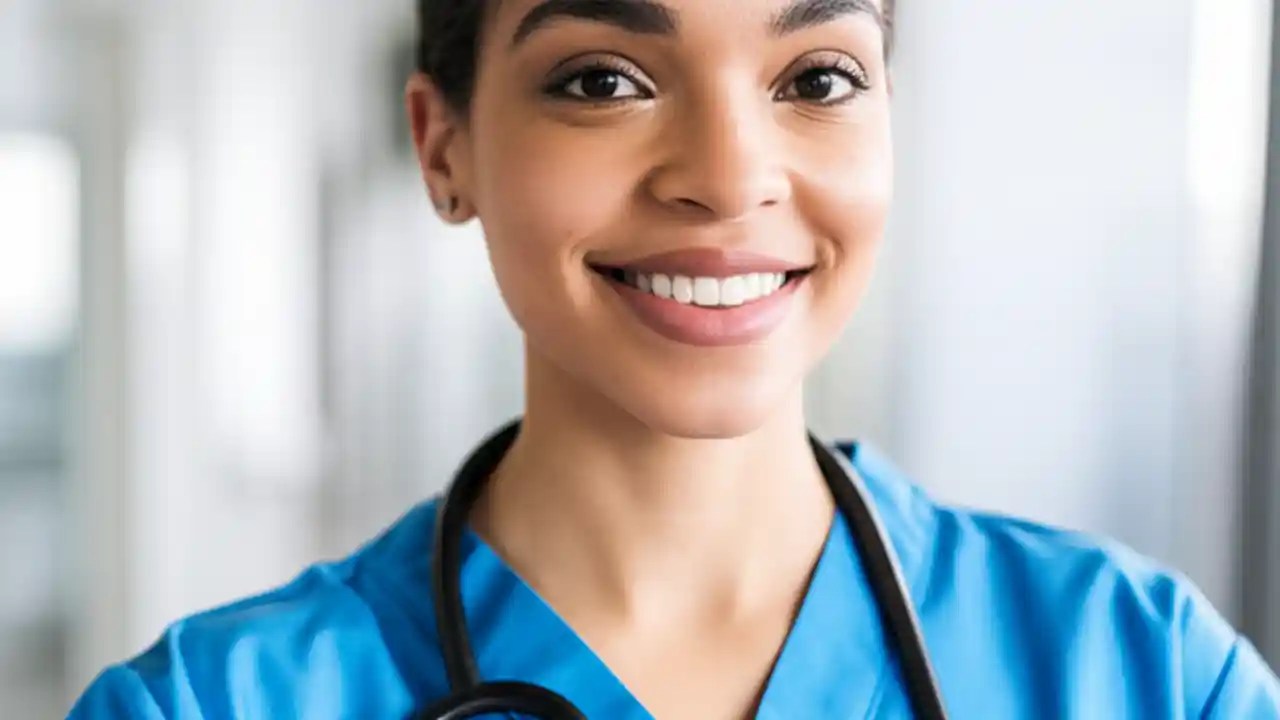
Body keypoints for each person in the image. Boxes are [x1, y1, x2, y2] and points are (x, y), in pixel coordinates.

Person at [70, 0, 1280, 717]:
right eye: (604, 80)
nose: (728, 175)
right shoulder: (208, 705)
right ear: (444, 151)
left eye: (817, 78)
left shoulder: (1145, 671)